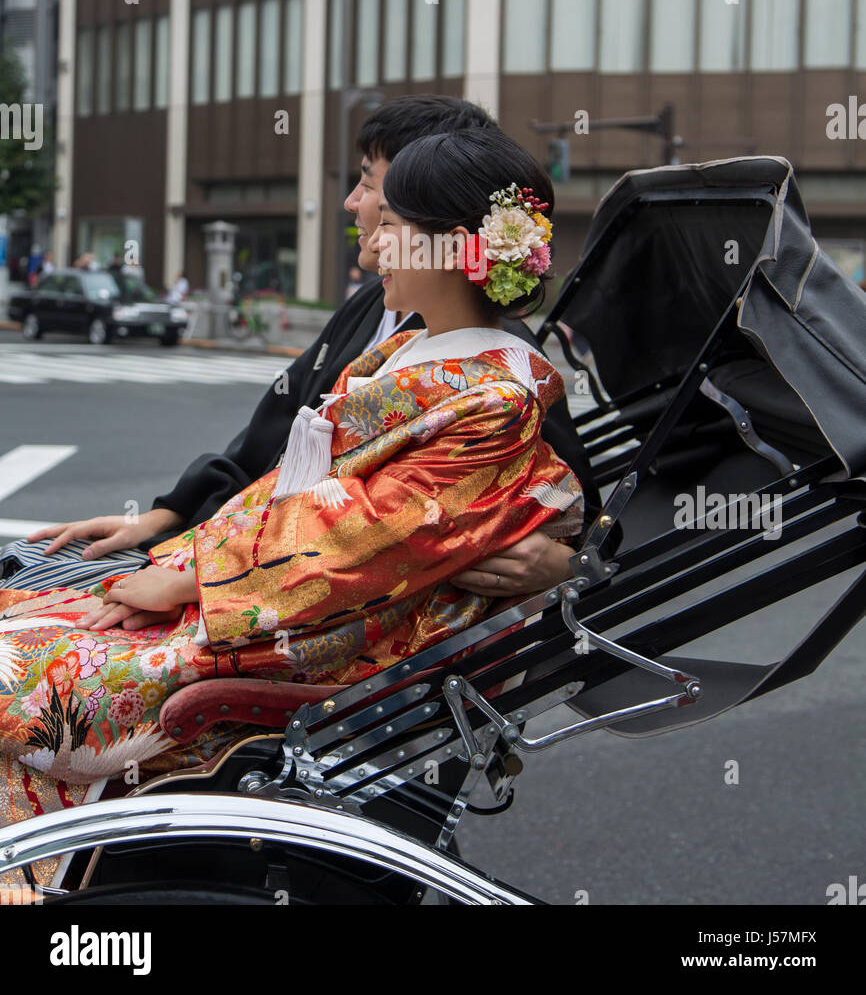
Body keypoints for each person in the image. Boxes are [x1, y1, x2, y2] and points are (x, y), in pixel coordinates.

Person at [0, 128, 582, 884]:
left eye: (392, 225)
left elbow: (360, 540)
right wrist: (177, 553)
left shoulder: (494, 394)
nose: (369, 239)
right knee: (22, 612)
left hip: (308, 640)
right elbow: (288, 487)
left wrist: (188, 582)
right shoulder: (415, 349)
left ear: (446, 248)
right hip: (269, 605)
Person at [2, 96, 594, 600]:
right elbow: (274, 438)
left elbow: (365, 535)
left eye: (370, 186)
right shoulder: (378, 315)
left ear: (434, 211)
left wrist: (565, 564)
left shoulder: (499, 376)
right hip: (238, 557)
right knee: (24, 574)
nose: (354, 206)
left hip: (277, 595)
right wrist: (168, 516)